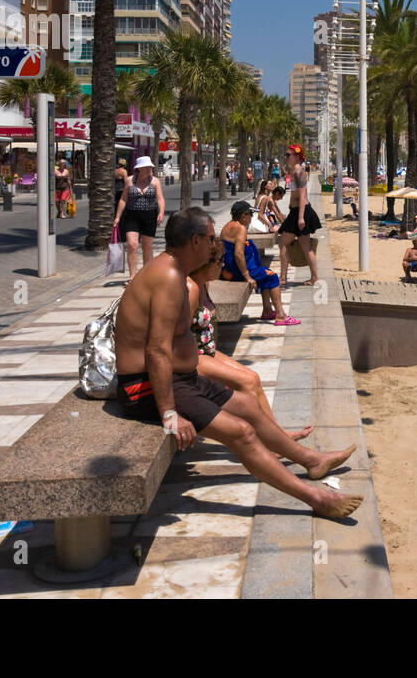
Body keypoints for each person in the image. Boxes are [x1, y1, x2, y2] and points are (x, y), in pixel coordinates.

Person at [113, 207, 360, 519]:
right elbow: (157, 350)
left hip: (179, 379)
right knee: (241, 432)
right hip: (145, 388)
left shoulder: (175, 272)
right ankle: (316, 499)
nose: (216, 245)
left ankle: (311, 460)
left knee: (247, 405)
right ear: (195, 242)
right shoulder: (167, 276)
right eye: (211, 238)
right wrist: (169, 413)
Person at [187, 241, 311, 440]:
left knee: (253, 378)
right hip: (194, 357)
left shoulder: (203, 284)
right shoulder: (190, 288)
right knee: (246, 382)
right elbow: (178, 336)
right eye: (219, 262)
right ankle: (277, 440)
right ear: (205, 264)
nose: (223, 265)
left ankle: (278, 436)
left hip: (206, 351)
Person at [219, 201, 297, 324]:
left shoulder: (228, 226)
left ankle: (267, 310)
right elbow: (238, 254)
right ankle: (281, 315)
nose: (252, 217)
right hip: (237, 272)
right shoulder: (240, 229)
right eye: (251, 214)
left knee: (264, 275)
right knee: (272, 277)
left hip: (229, 270)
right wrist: (247, 276)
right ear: (243, 216)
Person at [114, 156, 166, 279]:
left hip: (149, 215)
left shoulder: (155, 181)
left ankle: (147, 275)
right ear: (139, 168)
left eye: (150, 167)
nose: (149, 169)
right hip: (132, 215)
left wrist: (161, 212)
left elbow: (160, 198)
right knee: (132, 245)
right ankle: (132, 276)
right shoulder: (130, 181)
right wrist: (117, 217)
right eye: (146, 167)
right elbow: (123, 199)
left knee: (147, 246)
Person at [278, 143, 320, 286]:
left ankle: (283, 277)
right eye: (286, 154)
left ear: (297, 157)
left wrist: (301, 217)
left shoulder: (299, 172)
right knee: (305, 246)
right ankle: (314, 277)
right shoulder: (295, 171)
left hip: (300, 212)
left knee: (283, 242)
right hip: (296, 212)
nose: (286, 157)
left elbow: (302, 196)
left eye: (288, 155)